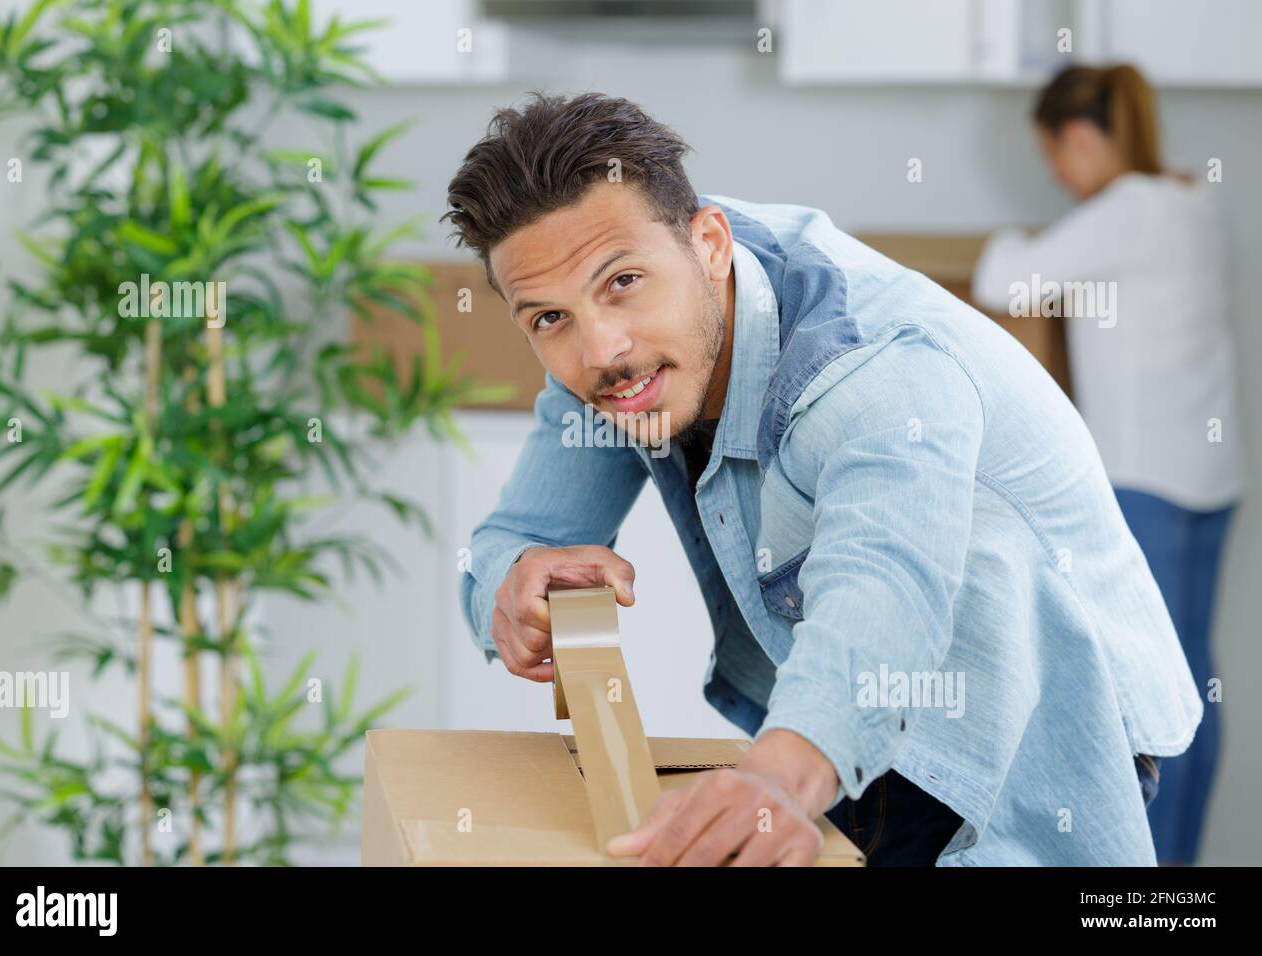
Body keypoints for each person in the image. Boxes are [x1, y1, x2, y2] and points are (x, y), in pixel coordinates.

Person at [448, 91, 1193, 866]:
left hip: (1034, 714)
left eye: (622, 283)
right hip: (848, 721)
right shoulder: (613, 315)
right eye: (547, 319)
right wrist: (513, 583)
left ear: (709, 245)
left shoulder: (870, 369)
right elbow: (514, 541)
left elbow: (887, 581)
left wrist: (776, 779)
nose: (600, 348)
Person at [972, 64, 1242, 865]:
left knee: (1145, 686)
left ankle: (1145, 878)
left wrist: (1011, 240)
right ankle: (1177, 866)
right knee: (1191, 674)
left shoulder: (1126, 210)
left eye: (1053, 153)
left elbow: (1002, 279)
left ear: (1083, 137)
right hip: (1208, 481)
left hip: (1142, 479)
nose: (1057, 173)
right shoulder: (1194, 198)